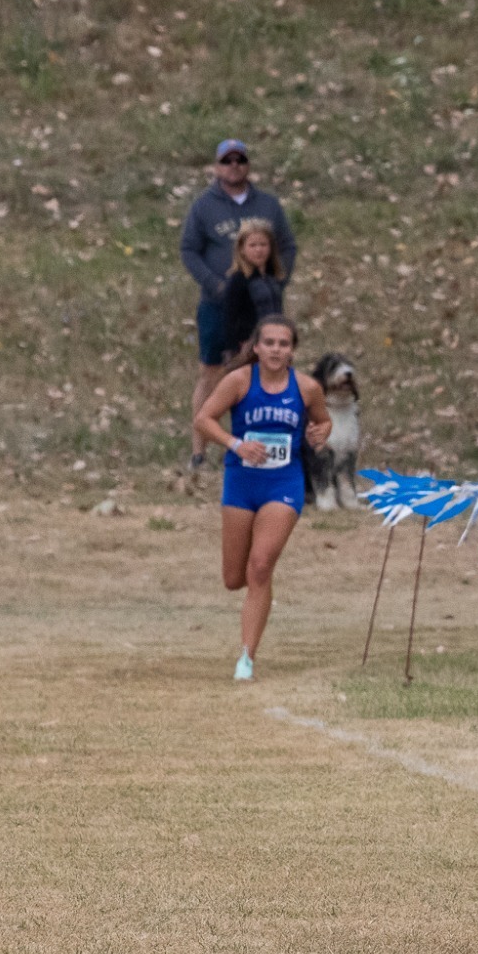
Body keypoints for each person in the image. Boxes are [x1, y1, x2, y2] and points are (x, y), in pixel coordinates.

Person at [192, 316, 331, 682]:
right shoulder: (238, 381)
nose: (276, 350)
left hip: (283, 483)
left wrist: (319, 433)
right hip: (241, 483)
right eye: (269, 343)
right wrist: (236, 444)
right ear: (256, 347)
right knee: (234, 578)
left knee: (261, 565)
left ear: (292, 350)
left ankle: (246, 658)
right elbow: (203, 419)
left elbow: (323, 421)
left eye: (283, 344)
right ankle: (257, 600)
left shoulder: (306, 388)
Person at [182, 139, 298, 471]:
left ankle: (256, 447)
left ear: (248, 164)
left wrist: (277, 280)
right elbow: (189, 250)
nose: (234, 166)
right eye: (227, 161)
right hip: (218, 305)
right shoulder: (204, 207)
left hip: (263, 308)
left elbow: (288, 246)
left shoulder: (268, 205)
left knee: (263, 376)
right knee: (211, 372)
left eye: (240, 160)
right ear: (217, 167)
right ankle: (199, 450)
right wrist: (216, 285)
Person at [220, 219, 287, 368]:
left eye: (263, 245)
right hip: (249, 346)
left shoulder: (272, 277)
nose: (259, 250)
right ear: (242, 249)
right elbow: (229, 316)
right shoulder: (238, 279)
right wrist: (233, 350)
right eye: (253, 245)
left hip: (276, 343)